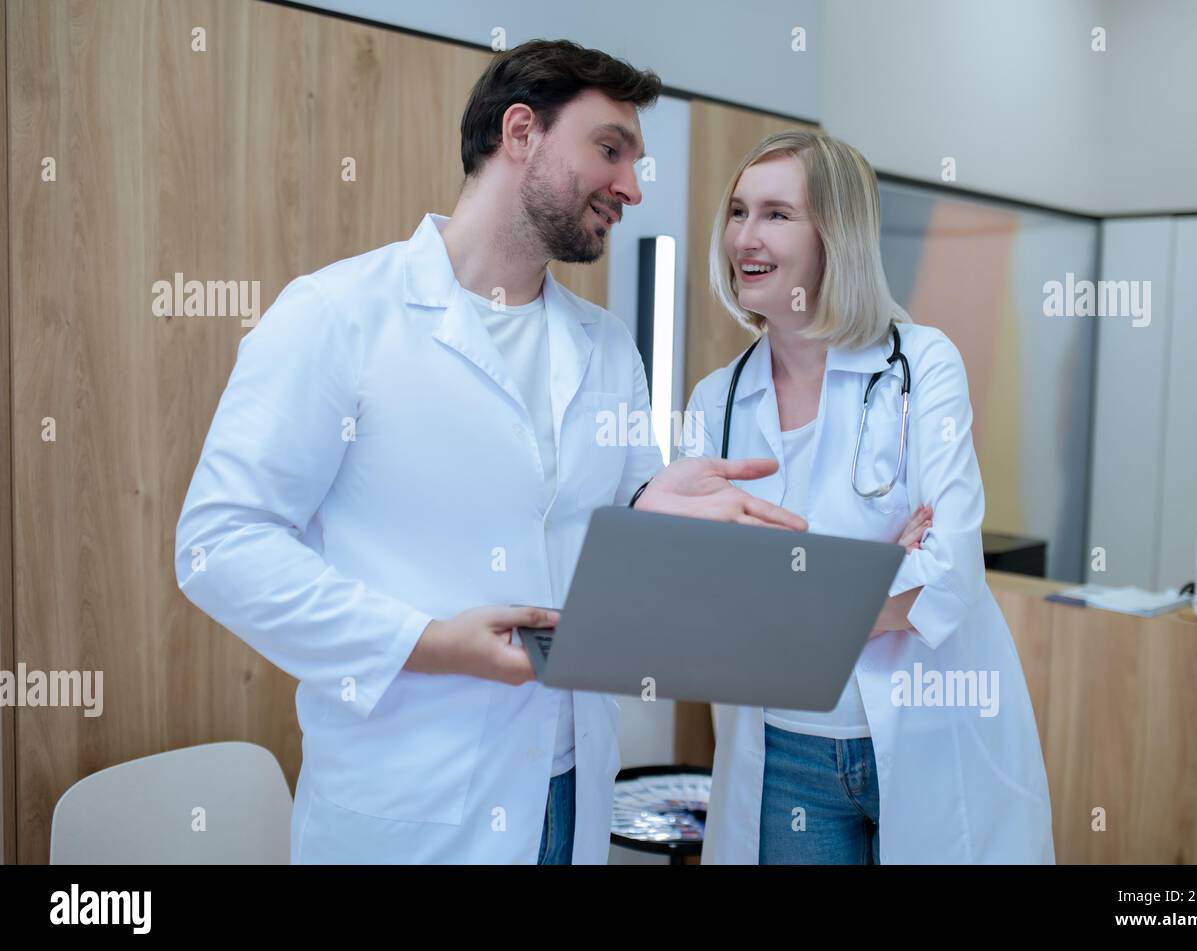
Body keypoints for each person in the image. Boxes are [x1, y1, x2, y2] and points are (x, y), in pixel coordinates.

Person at [174, 39, 805, 865]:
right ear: (520, 133)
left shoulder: (607, 346)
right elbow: (219, 544)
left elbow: (606, 533)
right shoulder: (338, 316)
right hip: (417, 795)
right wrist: (427, 643)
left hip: (569, 786)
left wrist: (653, 508)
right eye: (611, 149)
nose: (633, 188)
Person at [686, 130, 1055, 864]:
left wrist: (789, 609)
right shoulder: (716, 403)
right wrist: (872, 580)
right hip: (786, 752)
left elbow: (948, 577)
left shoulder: (923, 366)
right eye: (737, 211)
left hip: (927, 732)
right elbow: (707, 608)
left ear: (837, 235)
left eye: (776, 214)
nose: (744, 237)